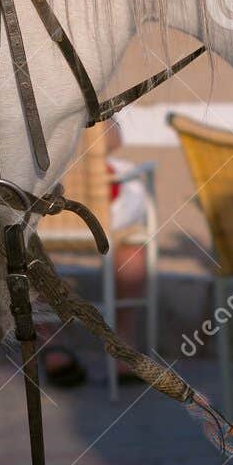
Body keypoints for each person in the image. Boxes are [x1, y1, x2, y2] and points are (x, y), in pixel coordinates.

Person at [40, 122, 147, 387]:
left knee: (19, 249)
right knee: (132, 241)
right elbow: (113, 142)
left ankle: (52, 345)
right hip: (96, 217)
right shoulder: (86, 97)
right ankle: (123, 348)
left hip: (37, 213)